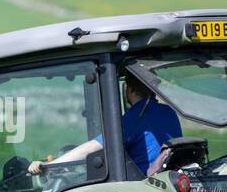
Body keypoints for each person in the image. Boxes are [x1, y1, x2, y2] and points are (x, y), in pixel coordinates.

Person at [28, 75, 182, 177]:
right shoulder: (169, 112)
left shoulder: (135, 117)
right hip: (166, 178)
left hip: (144, 182)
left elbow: (91, 148)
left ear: (129, 90)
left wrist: (50, 165)